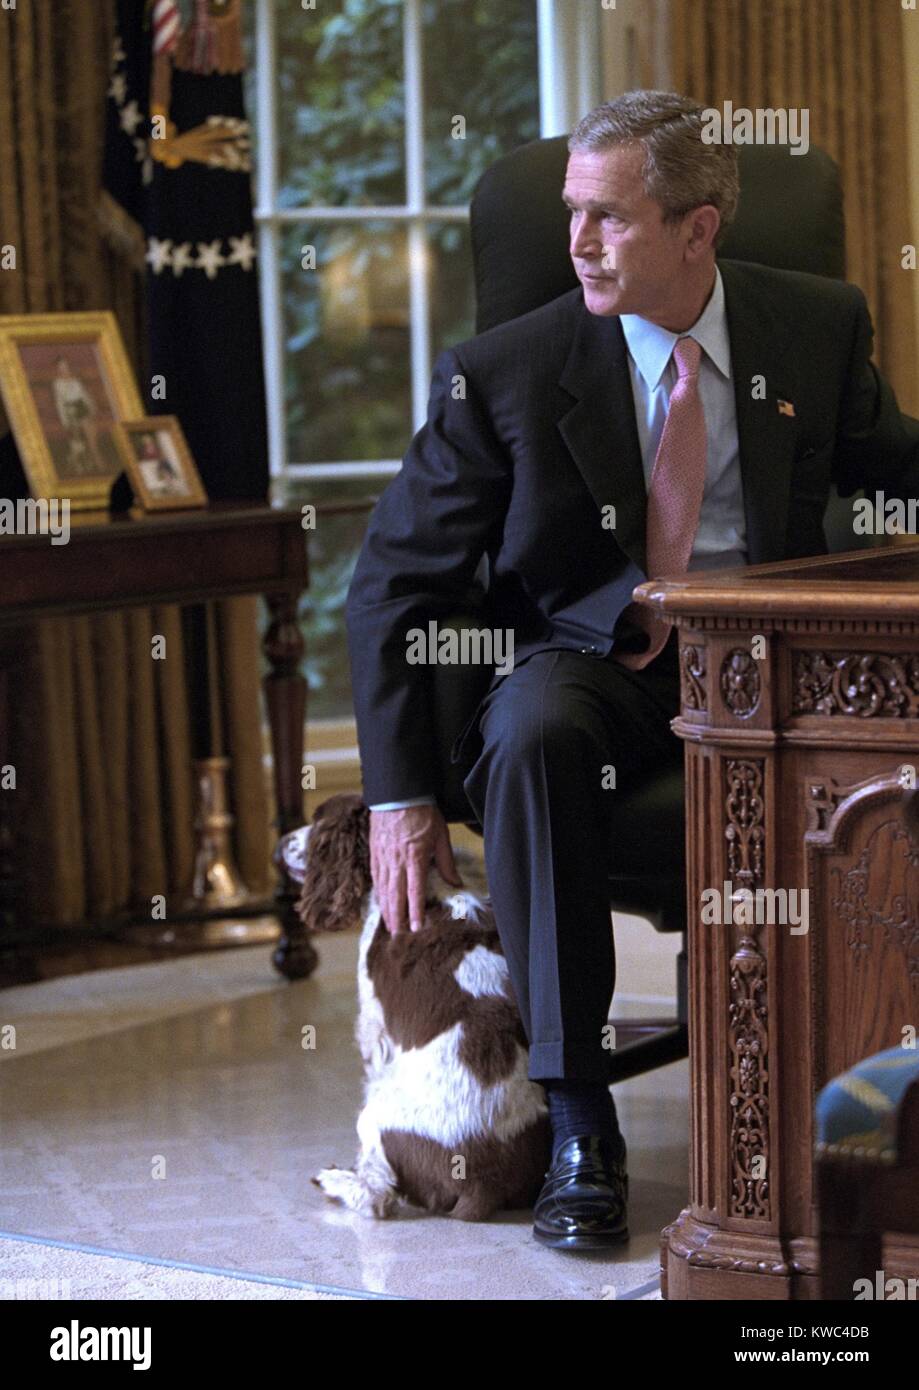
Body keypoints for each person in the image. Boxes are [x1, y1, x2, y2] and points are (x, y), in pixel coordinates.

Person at [345, 90, 919, 1250]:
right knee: (532, 731)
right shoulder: (504, 371)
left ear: (697, 229)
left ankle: (876, 1094)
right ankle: (576, 1115)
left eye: (607, 219)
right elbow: (390, 585)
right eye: (569, 215)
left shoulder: (813, 326)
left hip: (771, 672)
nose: (577, 244)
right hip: (595, 658)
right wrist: (400, 799)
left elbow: (896, 477)